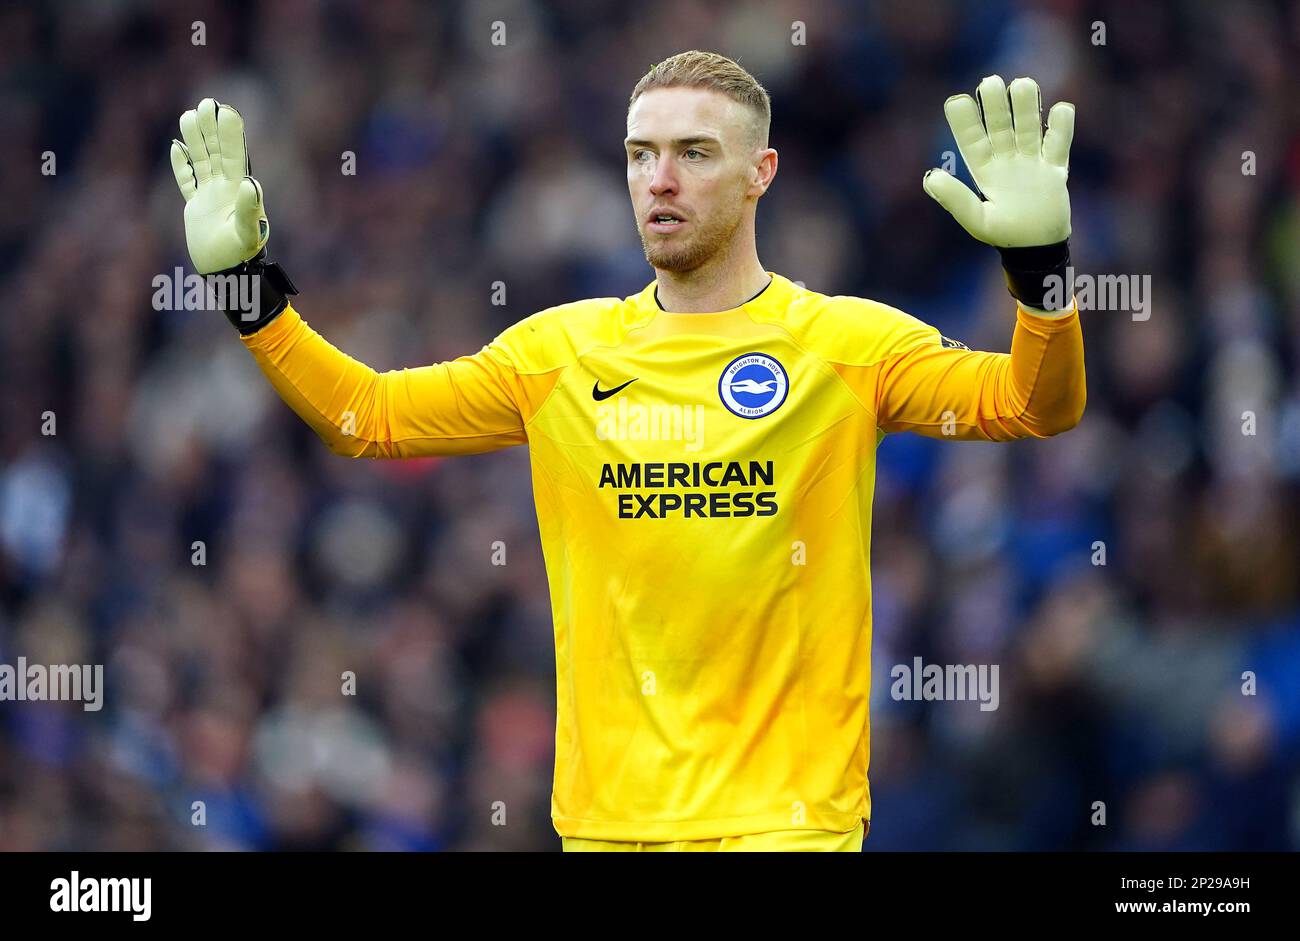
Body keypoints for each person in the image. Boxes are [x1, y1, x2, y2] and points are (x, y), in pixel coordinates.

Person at [169, 50, 1084, 852]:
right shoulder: (559, 354)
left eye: (694, 153)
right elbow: (368, 416)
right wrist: (249, 291)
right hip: (607, 825)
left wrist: (1041, 275)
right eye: (642, 155)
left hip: (788, 822)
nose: (660, 180)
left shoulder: (844, 345)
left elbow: (1029, 407)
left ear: (762, 171)